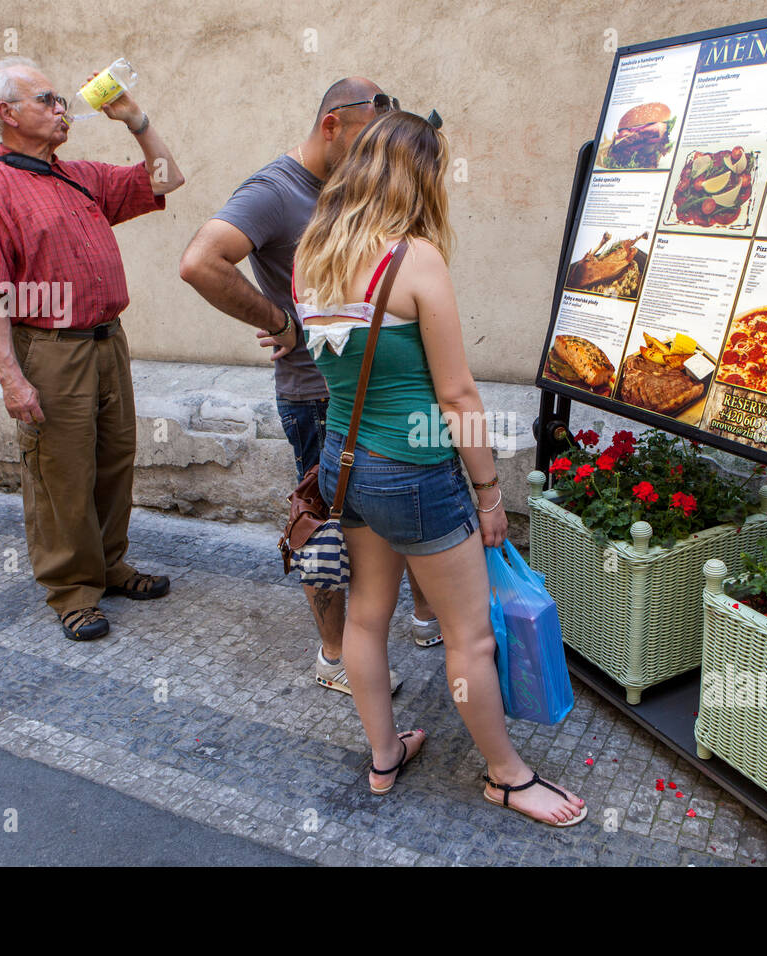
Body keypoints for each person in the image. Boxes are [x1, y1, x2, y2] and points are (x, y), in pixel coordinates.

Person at [278, 111, 587, 826]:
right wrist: (488, 492)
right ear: (422, 178)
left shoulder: (310, 256)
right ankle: (507, 776)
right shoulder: (412, 259)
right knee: (469, 635)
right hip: (417, 474)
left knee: (367, 617)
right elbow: (457, 395)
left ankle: (385, 755)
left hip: (345, 467)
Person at [179, 78, 440, 698]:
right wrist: (279, 321)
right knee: (324, 527)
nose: (376, 152)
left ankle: (427, 617)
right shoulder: (275, 190)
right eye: (367, 138)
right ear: (332, 124)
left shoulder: (347, 186)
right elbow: (199, 262)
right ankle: (334, 656)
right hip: (316, 396)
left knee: (399, 504)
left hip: (377, 393)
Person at [0, 57, 184, 641]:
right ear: (7, 113)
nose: (63, 109)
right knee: (59, 473)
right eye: (47, 100)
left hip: (108, 341)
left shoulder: (81, 174)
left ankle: (110, 565)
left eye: (62, 100)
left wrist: (135, 119)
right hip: (50, 350)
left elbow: (166, 179)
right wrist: (12, 378)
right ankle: (71, 590)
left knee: (114, 460)